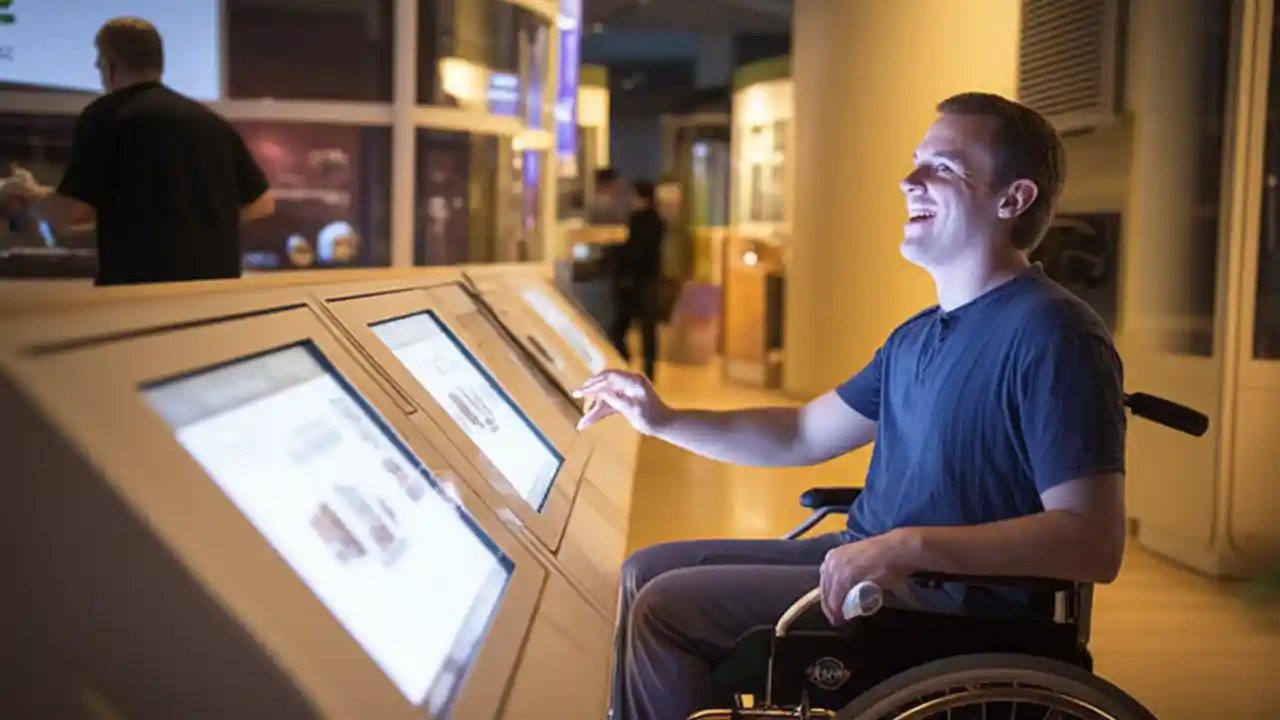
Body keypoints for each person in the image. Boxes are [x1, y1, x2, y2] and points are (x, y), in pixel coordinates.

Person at [575, 92, 1128, 720]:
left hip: (948, 601)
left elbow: (1092, 541)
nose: (907, 180)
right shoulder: (917, 336)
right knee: (643, 569)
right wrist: (664, 419)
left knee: (666, 609)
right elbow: (801, 433)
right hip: (881, 569)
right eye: (916, 162)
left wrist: (909, 547)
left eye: (942, 168)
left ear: (1013, 199)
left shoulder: (1054, 334)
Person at [0, 17, 274, 286]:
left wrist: (30, 199)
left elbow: (66, 213)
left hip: (139, 294)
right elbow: (262, 203)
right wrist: (197, 222)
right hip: (215, 294)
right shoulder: (214, 124)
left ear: (110, 64)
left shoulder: (105, 116)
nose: (97, 68)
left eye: (99, 62)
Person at [608, 180, 665, 380]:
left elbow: (633, 251)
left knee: (619, 327)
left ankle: (624, 364)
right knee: (647, 330)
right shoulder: (657, 219)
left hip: (633, 282)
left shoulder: (638, 220)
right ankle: (650, 371)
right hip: (649, 279)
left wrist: (615, 255)